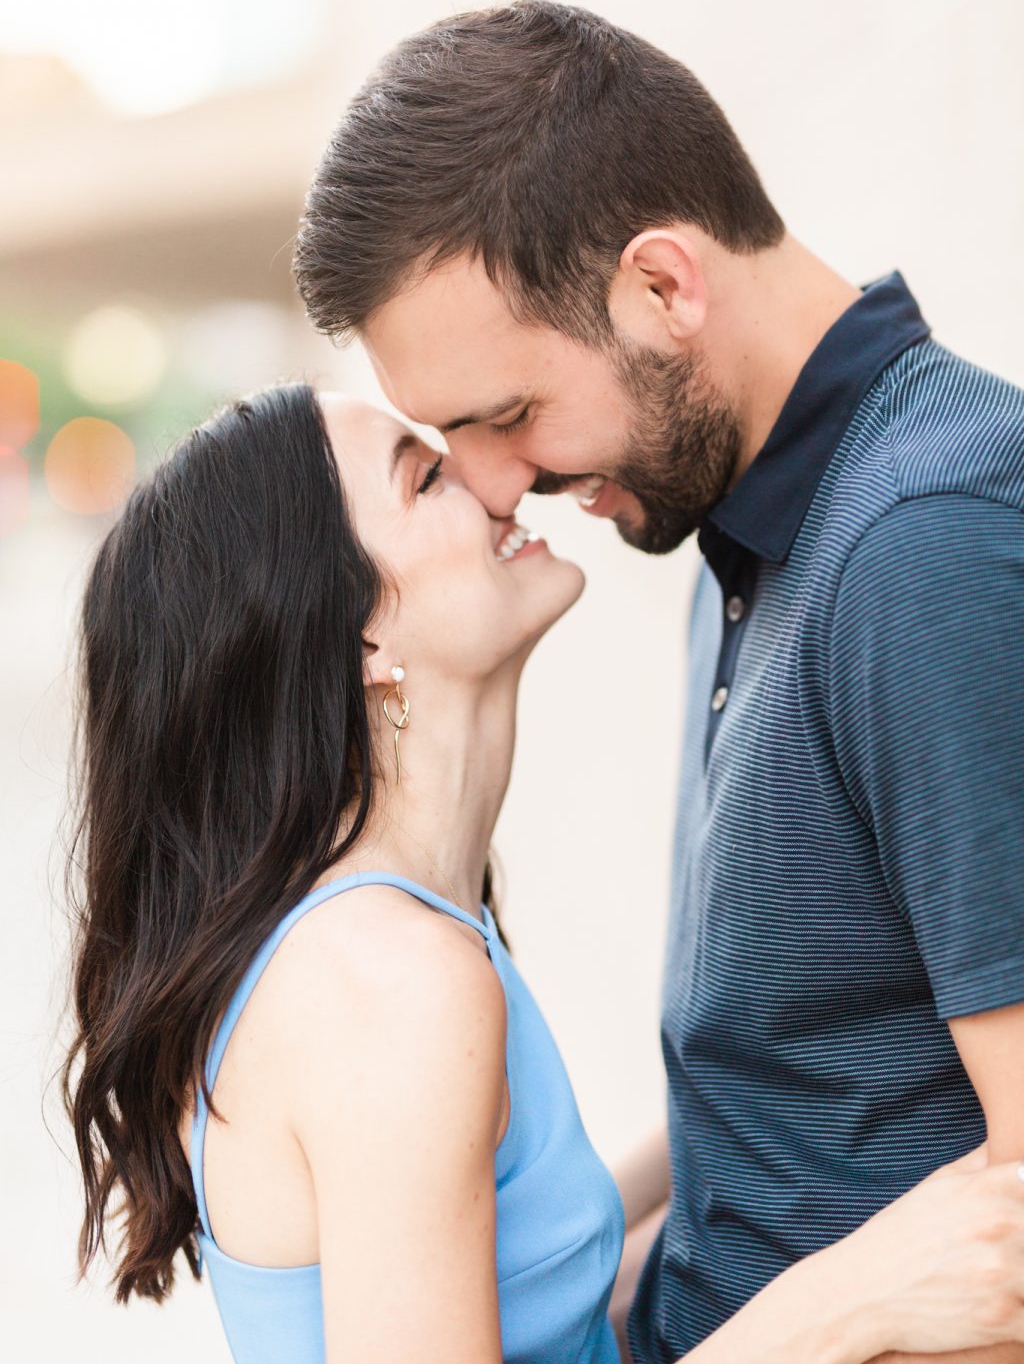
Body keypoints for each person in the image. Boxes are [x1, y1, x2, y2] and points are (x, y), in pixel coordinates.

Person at [292, 0, 1024, 1364]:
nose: (502, 485)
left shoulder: (925, 545)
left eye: (507, 418)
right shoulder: (745, 535)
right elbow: (793, 1096)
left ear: (665, 287)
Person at [64, 385, 1024, 1364]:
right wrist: (847, 1303)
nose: (491, 484)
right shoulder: (384, 984)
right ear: (358, 637)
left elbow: (535, 1302)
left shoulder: (393, 941)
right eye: (427, 476)